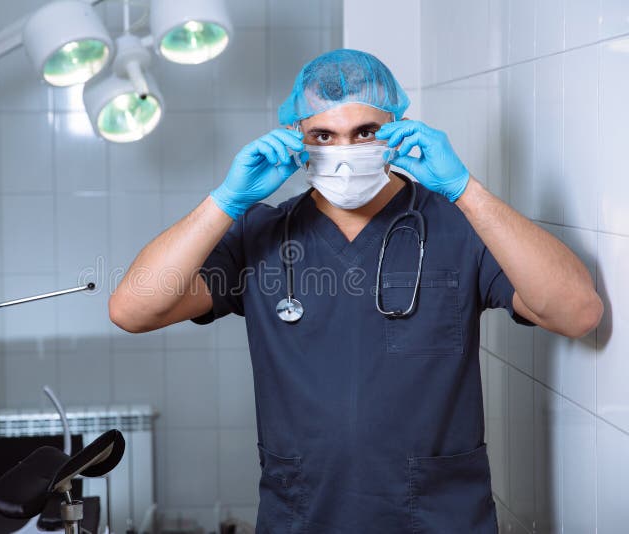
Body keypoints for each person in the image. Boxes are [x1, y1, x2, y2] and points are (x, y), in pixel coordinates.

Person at [109, 49, 603, 533]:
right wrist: (226, 201)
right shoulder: (258, 235)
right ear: (296, 139)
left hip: (438, 515)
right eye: (323, 135)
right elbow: (133, 308)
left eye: (365, 132)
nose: (345, 151)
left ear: (396, 127)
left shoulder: (460, 226)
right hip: (304, 514)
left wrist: (466, 189)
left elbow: (577, 312)